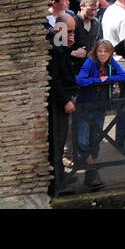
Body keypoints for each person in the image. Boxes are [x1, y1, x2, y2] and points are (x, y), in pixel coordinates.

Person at [74, 39, 125, 190]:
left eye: (106, 51)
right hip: (85, 106)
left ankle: (91, 176)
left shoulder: (111, 63)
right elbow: (80, 80)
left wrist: (108, 79)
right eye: (100, 51)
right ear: (95, 52)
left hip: (100, 106)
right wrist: (97, 80)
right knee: (81, 141)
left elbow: (124, 77)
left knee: (95, 142)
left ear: (110, 53)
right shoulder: (90, 62)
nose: (102, 54)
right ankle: (93, 170)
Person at [47, 14, 79, 195]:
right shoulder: (55, 47)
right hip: (58, 103)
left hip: (63, 99)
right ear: (60, 30)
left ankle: (60, 180)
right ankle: (57, 186)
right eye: (70, 31)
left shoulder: (59, 45)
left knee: (59, 143)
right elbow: (54, 78)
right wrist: (65, 100)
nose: (73, 35)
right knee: (56, 143)